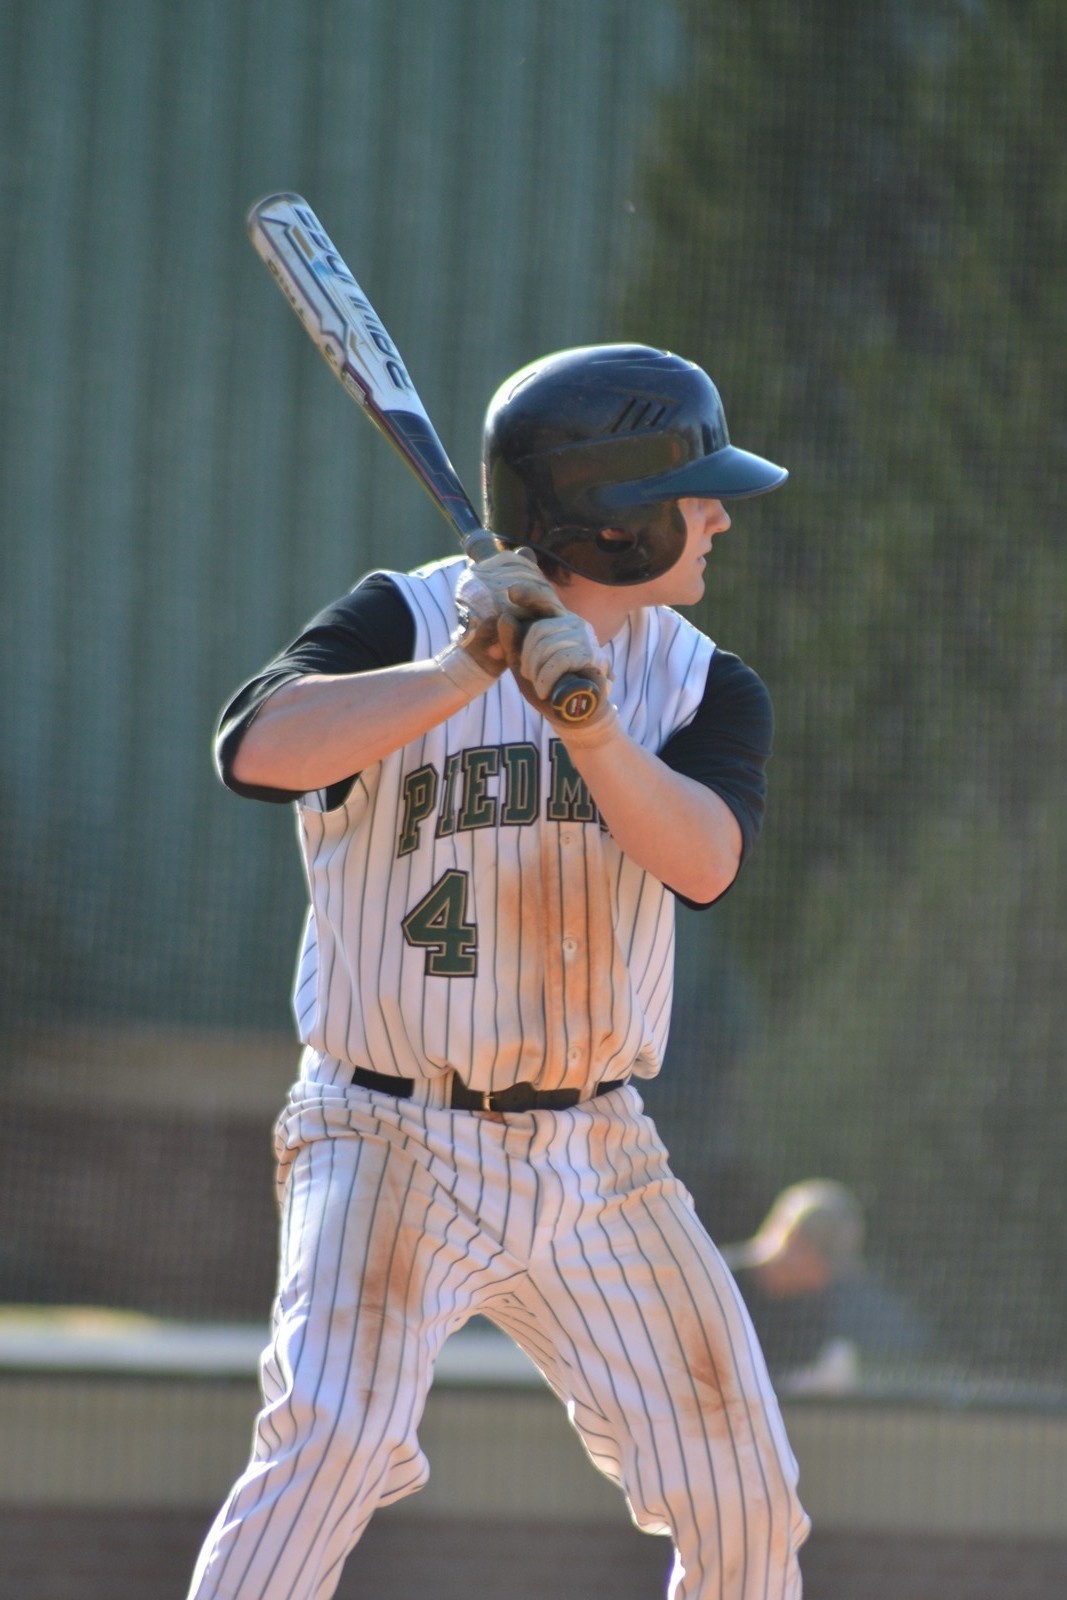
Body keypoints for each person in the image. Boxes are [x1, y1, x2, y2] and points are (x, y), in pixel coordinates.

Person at [187, 343, 810, 1600]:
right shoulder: (408, 618)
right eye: (692, 490)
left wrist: (585, 724)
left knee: (744, 1503)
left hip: (595, 1153)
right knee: (333, 1443)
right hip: (386, 1131)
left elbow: (701, 860)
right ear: (610, 516)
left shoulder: (699, 682)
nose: (717, 514)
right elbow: (255, 749)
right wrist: (461, 672)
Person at [721, 1179, 931, 1394]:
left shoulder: (814, 1309)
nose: (829, 1276)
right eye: (825, 1259)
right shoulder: (717, 1281)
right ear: (795, 1240)